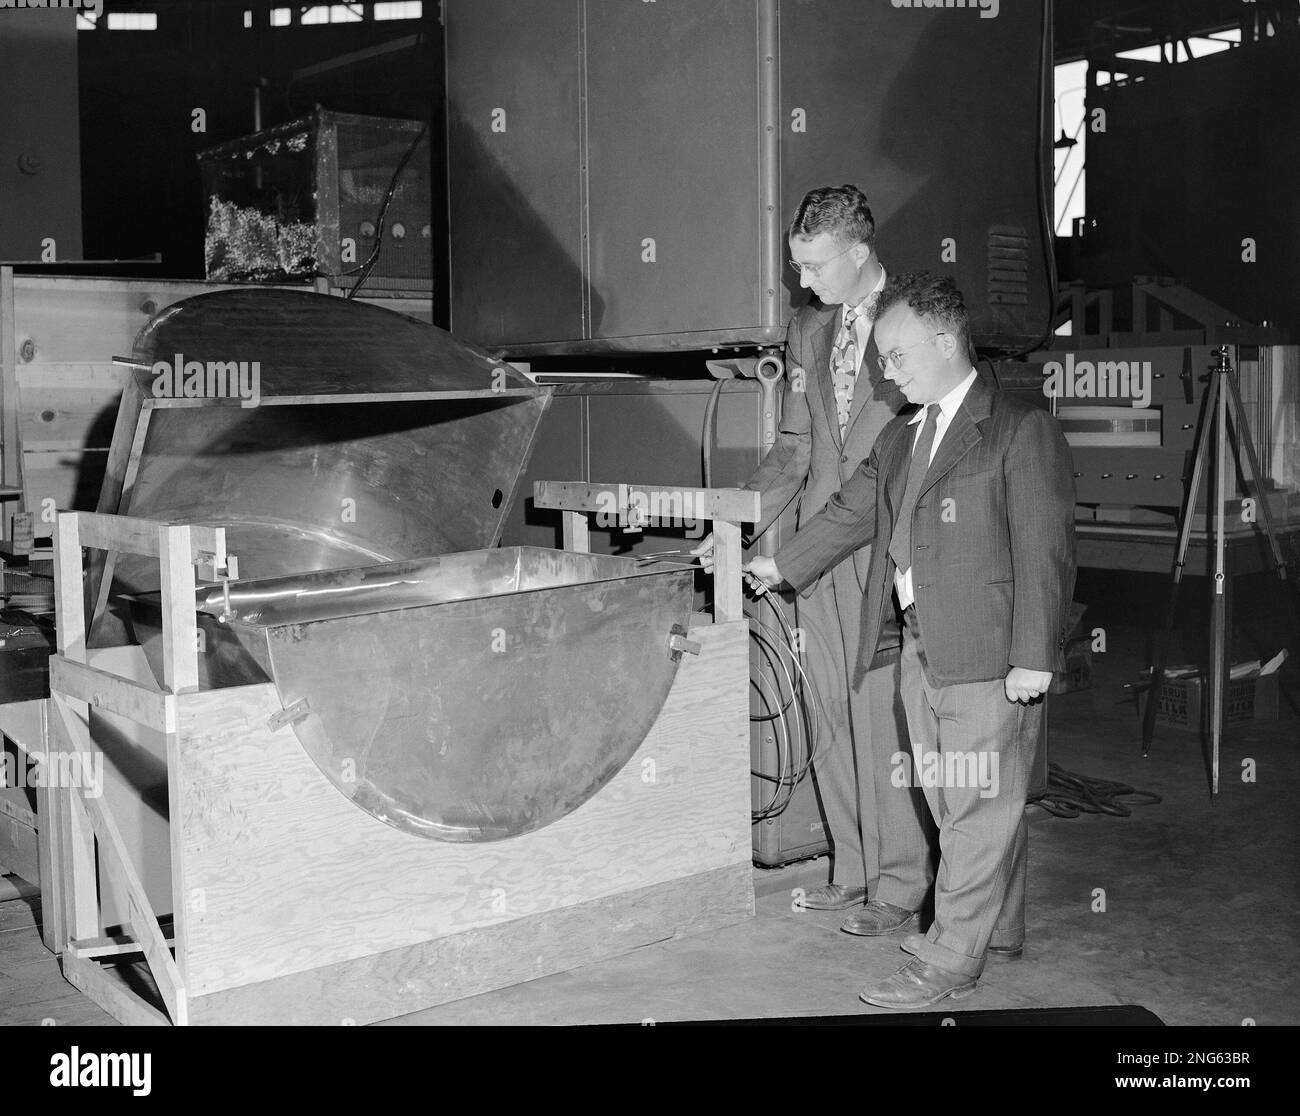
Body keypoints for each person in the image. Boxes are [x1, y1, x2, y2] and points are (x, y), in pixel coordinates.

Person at [745, 271, 1076, 1008]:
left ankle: (948, 961)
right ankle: (999, 928)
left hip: (989, 653)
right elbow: (849, 511)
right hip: (916, 648)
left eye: (896, 357)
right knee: (958, 799)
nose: (885, 373)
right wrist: (774, 563)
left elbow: (1044, 546)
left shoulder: (1020, 429)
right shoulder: (903, 433)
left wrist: (1033, 656)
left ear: (946, 340)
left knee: (972, 808)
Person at [695, 185, 934, 935]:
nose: (804, 281)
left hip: (886, 543)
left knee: (883, 716)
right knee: (826, 711)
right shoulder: (808, 330)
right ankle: (852, 870)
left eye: (816, 265)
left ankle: (898, 888)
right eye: (797, 266)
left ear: (860, 252)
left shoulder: (921, 316)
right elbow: (794, 451)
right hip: (815, 552)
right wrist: (736, 526)